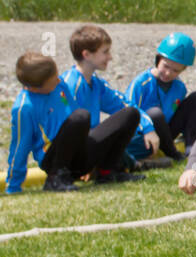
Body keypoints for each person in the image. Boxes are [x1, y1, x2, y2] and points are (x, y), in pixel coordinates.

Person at [6, 52, 139, 193]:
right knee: (81, 116)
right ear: (34, 88)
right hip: (54, 159)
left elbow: (73, 116)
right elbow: (20, 148)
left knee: (130, 114)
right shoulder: (24, 108)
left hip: (78, 152)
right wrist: (14, 186)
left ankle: (108, 173)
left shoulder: (60, 86)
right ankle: (55, 179)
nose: (58, 81)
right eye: (53, 81)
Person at [59, 24, 151, 180]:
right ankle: (109, 168)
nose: (110, 57)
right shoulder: (70, 84)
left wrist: (148, 128)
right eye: (105, 52)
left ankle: (108, 173)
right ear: (87, 54)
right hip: (70, 158)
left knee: (130, 115)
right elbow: (64, 129)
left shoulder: (96, 84)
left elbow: (123, 105)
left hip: (87, 149)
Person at [125, 33, 196, 163]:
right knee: (155, 113)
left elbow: (174, 112)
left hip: (165, 132)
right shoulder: (141, 83)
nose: (168, 73)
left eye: (175, 71)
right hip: (144, 134)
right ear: (158, 60)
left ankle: (192, 148)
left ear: (183, 70)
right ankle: (172, 153)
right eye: (166, 66)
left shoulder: (179, 88)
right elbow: (128, 112)